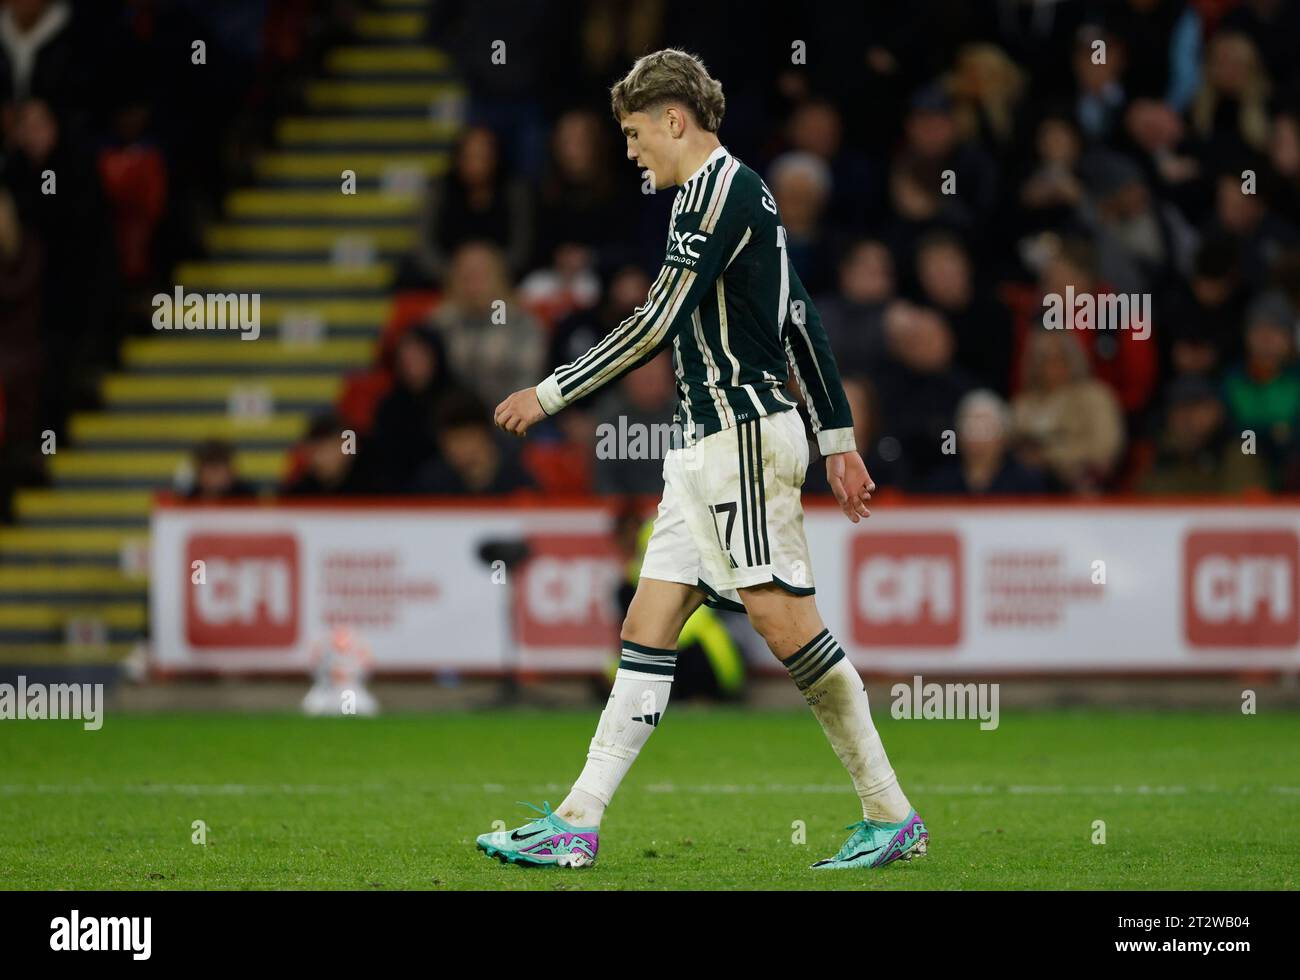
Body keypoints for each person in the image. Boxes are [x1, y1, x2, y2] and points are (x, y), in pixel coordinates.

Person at [481, 49, 926, 871]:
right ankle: (578, 821)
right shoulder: (727, 197)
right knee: (646, 627)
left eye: (634, 131)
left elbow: (654, 324)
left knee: (783, 621)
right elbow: (801, 323)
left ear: (674, 120)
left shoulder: (720, 194)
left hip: (743, 440)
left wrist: (549, 394)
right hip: (701, 447)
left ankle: (891, 811)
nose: (630, 149)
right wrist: (838, 441)